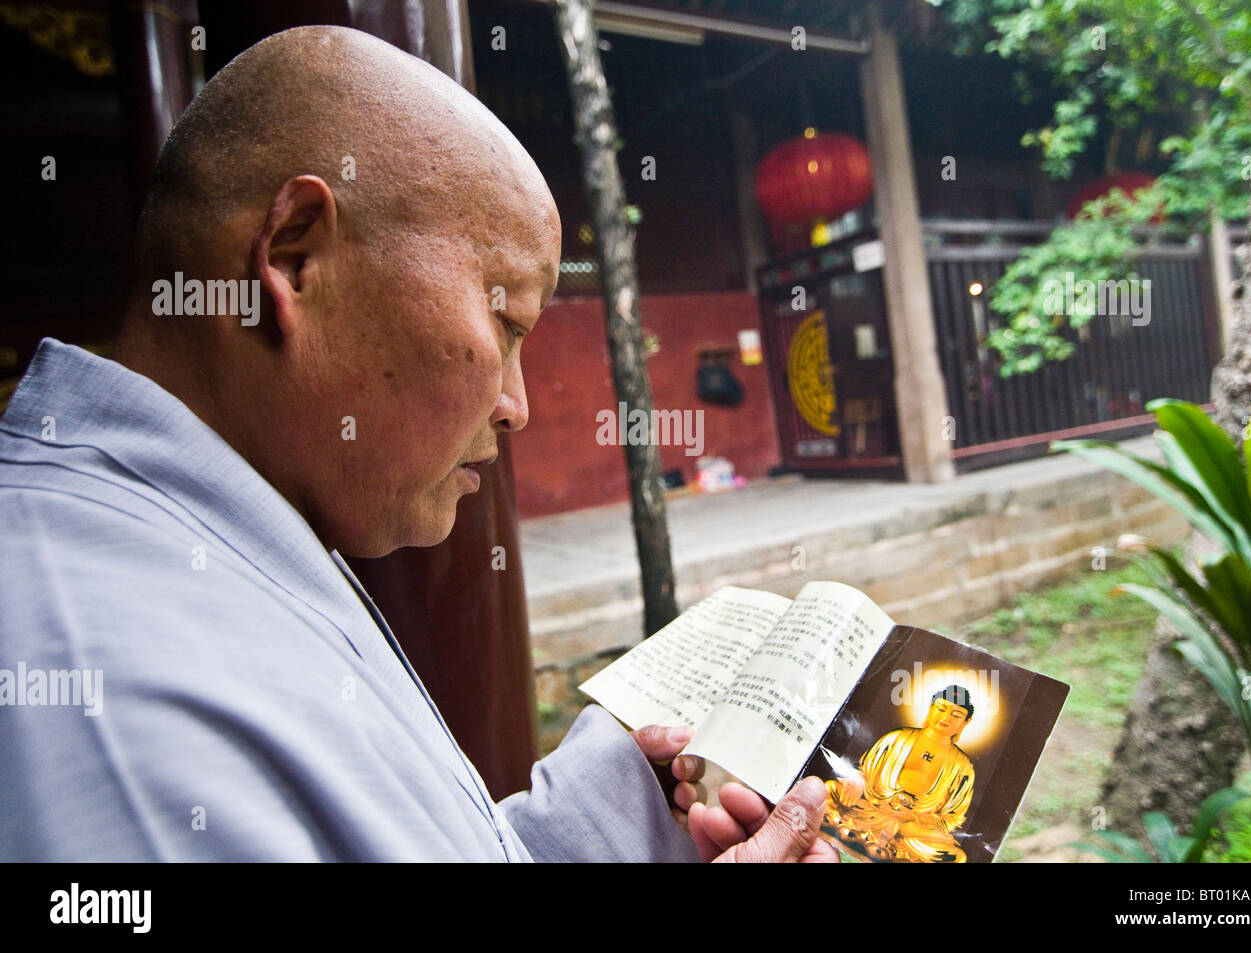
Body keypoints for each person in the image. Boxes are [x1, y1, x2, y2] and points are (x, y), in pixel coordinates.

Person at [0, 25, 832, 863]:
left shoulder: (209, 539)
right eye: (505, 323)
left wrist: (619, 815)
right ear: (295, 258)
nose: (516, 406)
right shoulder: (99, 680)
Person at [823, 685, 975, 862]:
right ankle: (885, 843)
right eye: (941, 709)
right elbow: (864, 771)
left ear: (966, 722)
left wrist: (911, 821)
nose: (946, 717)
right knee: (830, 789)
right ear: (931, 707)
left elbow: (952, 818)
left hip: (911, 829)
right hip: (872, 810)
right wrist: (857, 783)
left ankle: (859, 836)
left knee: (956, 857)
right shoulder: (897, 738)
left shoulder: (962, 767)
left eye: (956, 715)